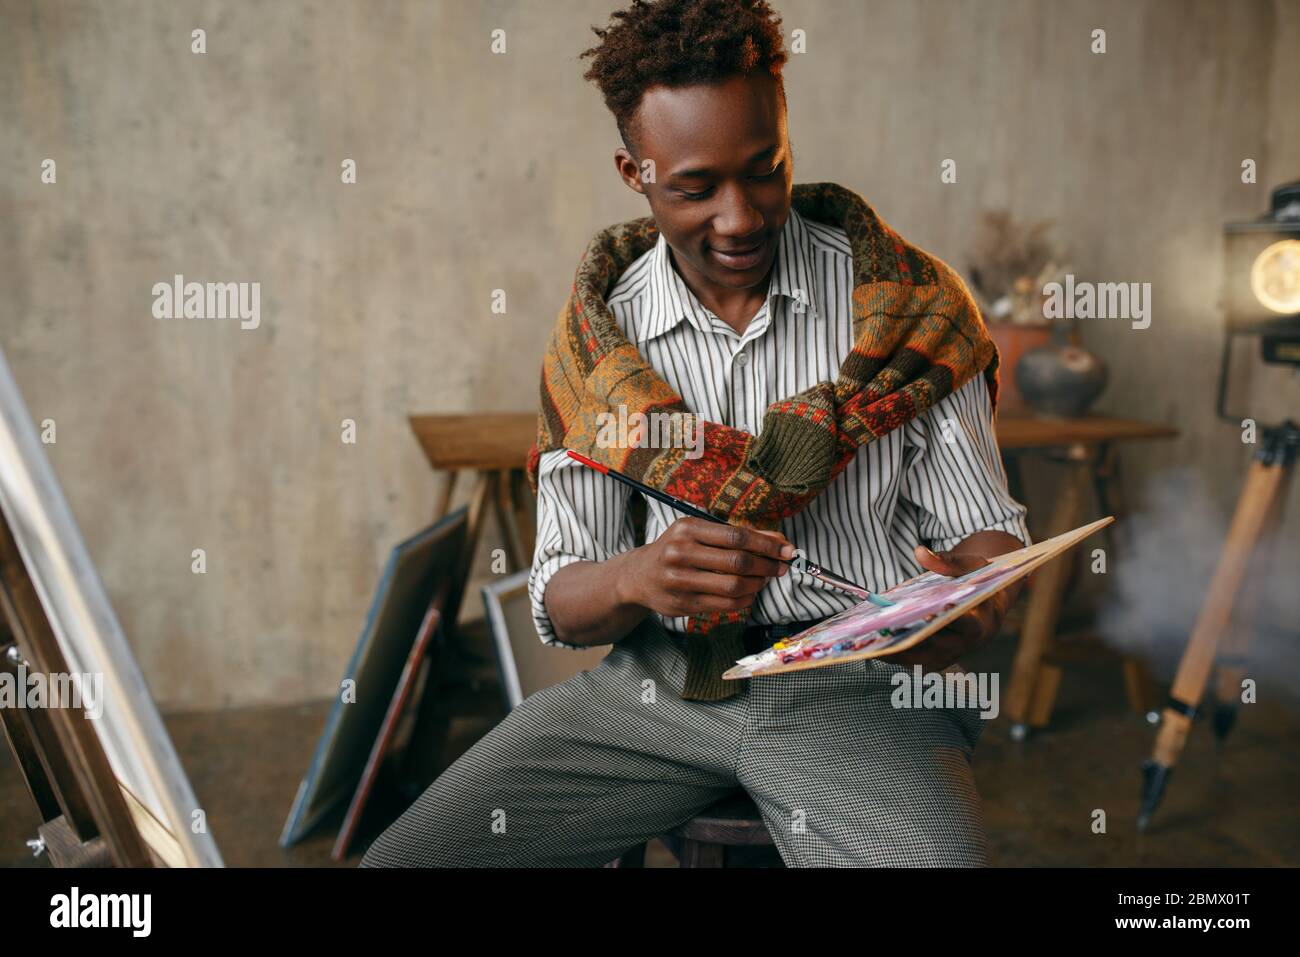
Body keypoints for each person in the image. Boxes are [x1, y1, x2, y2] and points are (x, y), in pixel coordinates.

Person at [361, 0, 1030, 868]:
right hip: (654, 692)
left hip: (855, 693)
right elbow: (561, 599)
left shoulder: (910, 309)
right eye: (694, 186)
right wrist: (642, 576)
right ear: (633, 170)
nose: (741, 216)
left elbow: (987, 544)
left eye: (765, 169)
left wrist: (972, 602)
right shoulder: (597, 343)